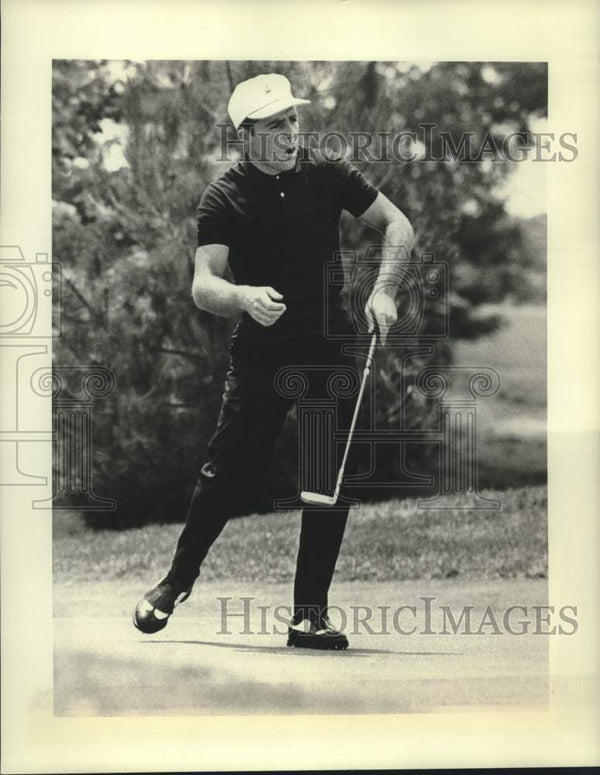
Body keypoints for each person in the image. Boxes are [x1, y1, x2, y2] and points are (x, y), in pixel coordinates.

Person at [133, 73, 414, 649]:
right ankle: (175, 582)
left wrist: (384, 289)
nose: (291, 131)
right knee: (226, 473)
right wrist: (242, 297)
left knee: (326, 481)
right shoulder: (225, 195)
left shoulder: (328, 172)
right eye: (276, 124)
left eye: (293, 119)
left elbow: (397, 225)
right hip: (261, 356)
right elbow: (203, 284)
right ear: (247, 136)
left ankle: (308, 617)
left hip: (327, 353)